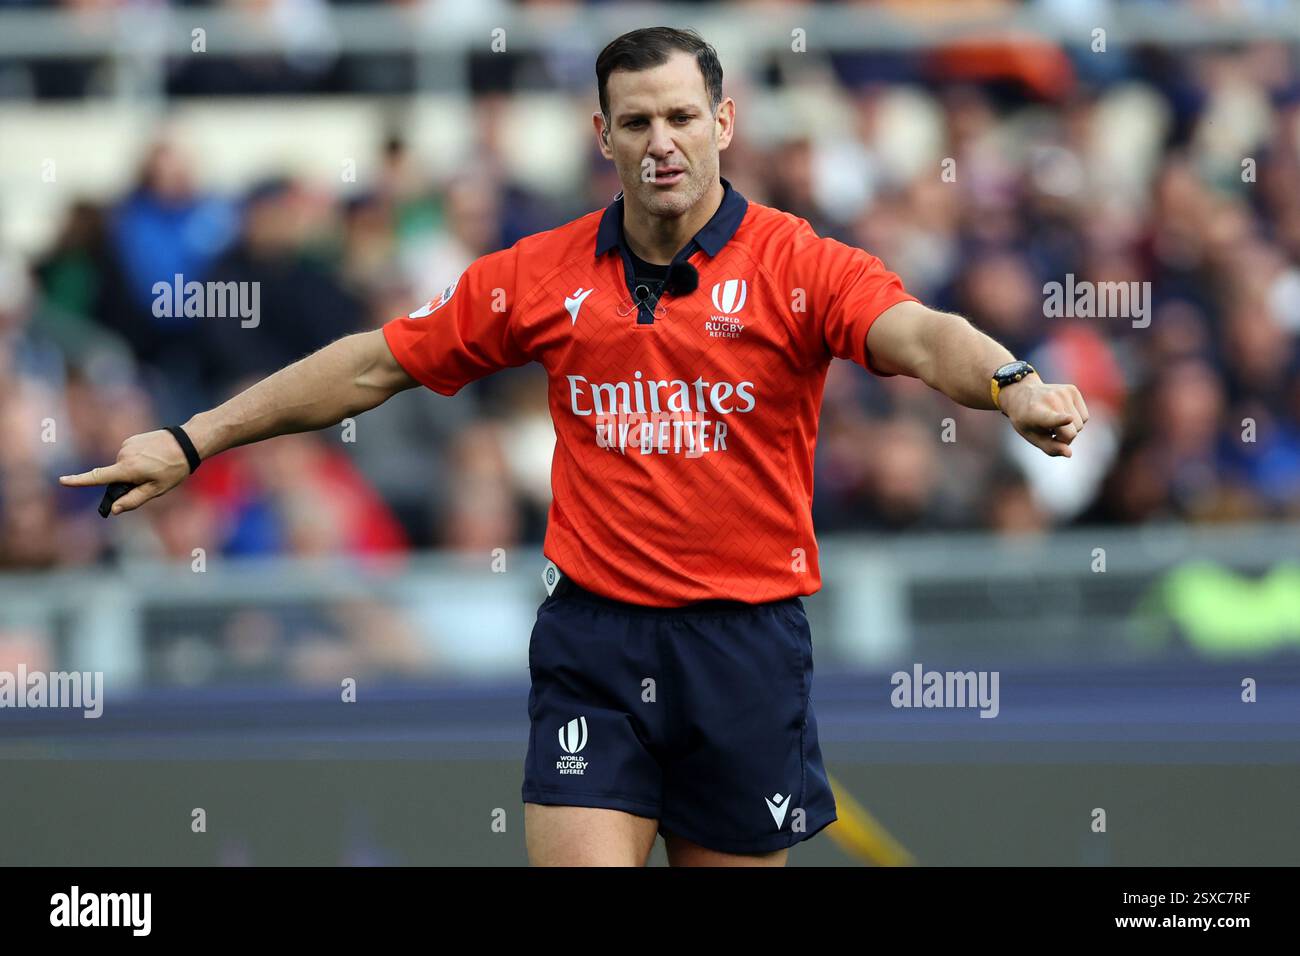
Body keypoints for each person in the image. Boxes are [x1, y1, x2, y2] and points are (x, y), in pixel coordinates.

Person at [60, 27, 1088, 867]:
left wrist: (1009, 384)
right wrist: (194, 441)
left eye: (682, 116)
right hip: (594, 643)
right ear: (602, 133)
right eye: (636, 121)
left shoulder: (796, 263)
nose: (662, 141)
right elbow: (376, 364)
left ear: (723, 121)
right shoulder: (538, 273)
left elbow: (918, 335)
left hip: (743, 647)